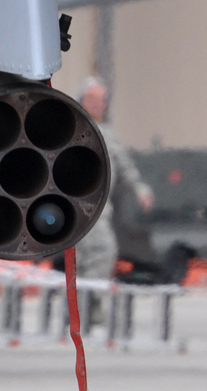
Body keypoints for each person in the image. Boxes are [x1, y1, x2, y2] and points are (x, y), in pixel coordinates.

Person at [77, 77, 154, 289]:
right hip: (77, 206)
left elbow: (124, 166)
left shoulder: (107, 135)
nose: (96, 104)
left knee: (92, 257)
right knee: (100, 251)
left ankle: (83, 308)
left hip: (99, 207)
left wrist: (140, 190)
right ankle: (90, 306)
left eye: (100, 100)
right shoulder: (70, 127)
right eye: (91, 98)